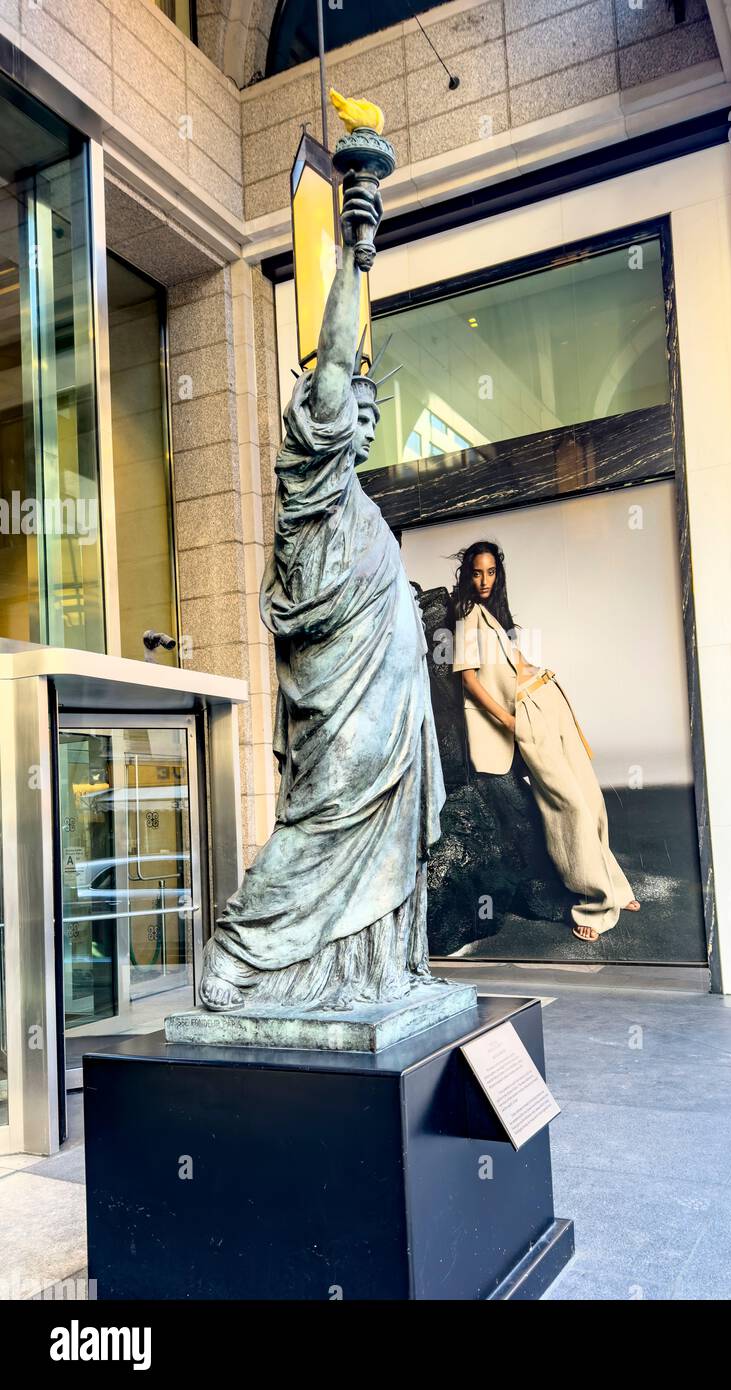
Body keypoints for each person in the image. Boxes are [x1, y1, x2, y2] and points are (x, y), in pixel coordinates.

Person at [197, 176, 445, 1012]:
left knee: (366, 834)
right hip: (342, 718)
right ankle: (242, 953)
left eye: (374, 415)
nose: (362, 422)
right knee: (323, 823)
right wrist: (357, 249)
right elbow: (335, 360)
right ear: (316, 420)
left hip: (388, 721)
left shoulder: (363, 509)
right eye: (351, 411)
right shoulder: (313, 485)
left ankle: (367, 970)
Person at [449, 539, 639, 943]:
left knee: (589, 796)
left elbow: (512, 664)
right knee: (566, 803)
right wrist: (508, 722)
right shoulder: (465, 615)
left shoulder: (492, 614)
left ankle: (616, 891)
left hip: (549, 697)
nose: (484, 580)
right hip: (525, 714)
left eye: (491, 572)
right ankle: (593, 903)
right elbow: (467, 678)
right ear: (467, 574)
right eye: (477, 572)